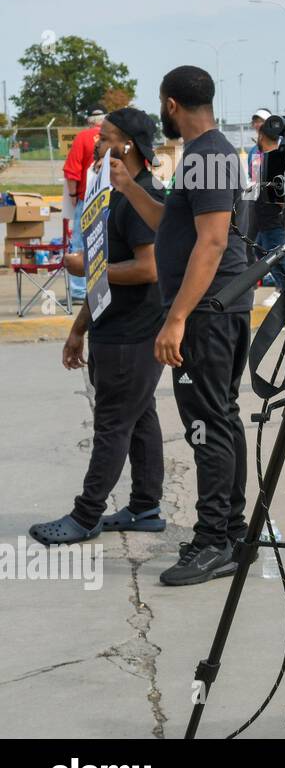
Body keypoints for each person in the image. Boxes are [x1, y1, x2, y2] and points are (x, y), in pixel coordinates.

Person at [111, 65, 253, 587]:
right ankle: (233, 533)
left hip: (207, 315)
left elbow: (212, 243)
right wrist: (127, 187)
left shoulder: (211, 155)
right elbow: (170, 224)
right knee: (222, 418)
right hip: (211, 312)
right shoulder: (202, 155)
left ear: (171, 105)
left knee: (208, 426)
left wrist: (175, 319)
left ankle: (215, 540)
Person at [29, 109, 167, 545]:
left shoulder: (142, 197)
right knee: (139, 417)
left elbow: (149, 269)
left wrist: (90, 266)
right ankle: (145, 506)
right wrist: (79, 328)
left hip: (133, 334)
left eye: (104, 138)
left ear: (128, 146)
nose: (94, 145)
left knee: (112, 424)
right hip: (113, 327)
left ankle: (85, 515)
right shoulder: (114, 194)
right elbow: (105, 273)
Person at [63, 107, 106, 302]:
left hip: (87, 198)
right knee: (107, 241)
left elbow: (72, 170)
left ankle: (78, 290)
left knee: (80, 242)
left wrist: (73, 193)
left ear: (90, 121)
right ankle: (104, 286)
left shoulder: (82, 137)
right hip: (111, 195)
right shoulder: (117, 136)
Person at [247, 107, 285, 304]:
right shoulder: (255, 153)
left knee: (278, 257)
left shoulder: (279, 155)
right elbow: (254, 182)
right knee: (261, 253)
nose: (257, 126)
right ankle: (283, 293)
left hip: (274, 219)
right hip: (261, 215)